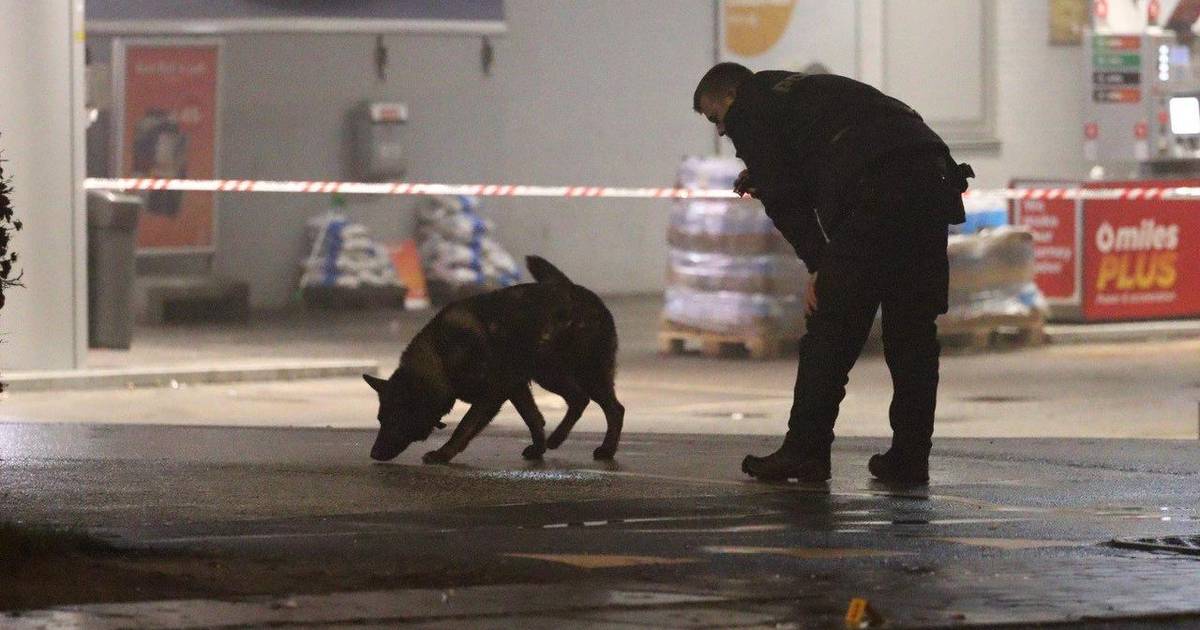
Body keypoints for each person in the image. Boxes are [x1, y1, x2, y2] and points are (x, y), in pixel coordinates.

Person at [692, 62, 973, 484]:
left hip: (876, 195)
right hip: (932, 180)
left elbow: (786, 201)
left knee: (830, 330)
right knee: (912, 335)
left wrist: (819, 265)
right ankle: (910, 459)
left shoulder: (750, 108)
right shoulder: (801, 91)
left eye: (717, 117)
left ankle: (805, 451)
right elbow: (827, 153)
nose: (721, 131)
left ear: (731, 95)